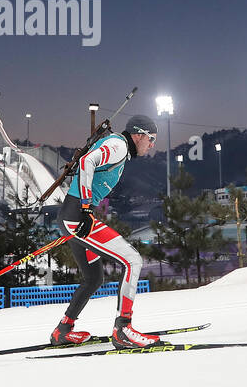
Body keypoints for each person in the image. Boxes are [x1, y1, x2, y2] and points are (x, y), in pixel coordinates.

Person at [49, 114, 162, 348]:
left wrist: (85, 209)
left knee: (93, 278)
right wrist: (86, 207)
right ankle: (123, 329)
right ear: (138, 135)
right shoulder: (118, 145)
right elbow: (86, 161)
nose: (152, 145)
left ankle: (63, 330)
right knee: (133, 260)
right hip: (77, 218)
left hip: (74, 218)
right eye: (151, 139)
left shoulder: (119, 146)